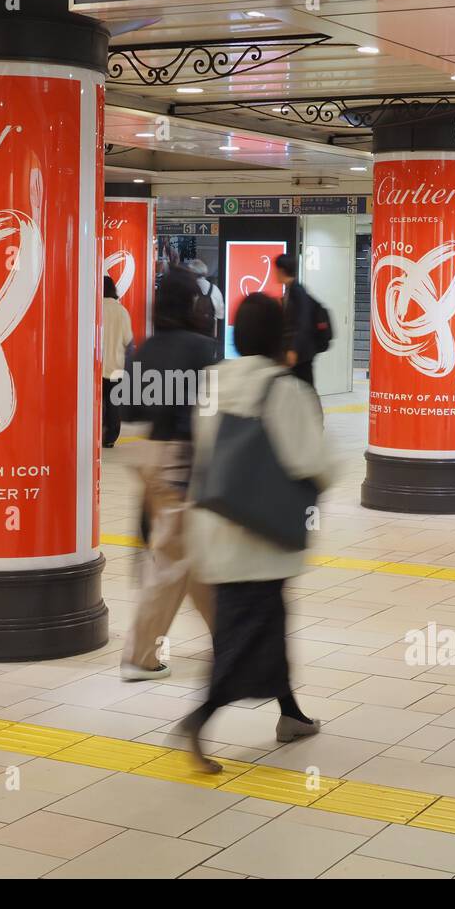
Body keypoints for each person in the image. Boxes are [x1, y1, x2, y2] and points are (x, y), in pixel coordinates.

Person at [179, 292, 334, 772]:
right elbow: (312, 460)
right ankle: (201, 717)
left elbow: (204, 450)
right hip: (261, 535)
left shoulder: (212, 380)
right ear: (278, 337)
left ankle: (290, 714)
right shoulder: (283, 389)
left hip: (214, 528)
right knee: (247, 634)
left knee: (261, 621)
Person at [119, 268, 220, 681]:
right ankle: (139, 655)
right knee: (176, 561)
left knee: (192, 560)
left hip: (152, 458)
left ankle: (232, 646)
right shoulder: (204, 349)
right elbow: (216, 411)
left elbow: (129, 409)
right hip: (188, 461)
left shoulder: (148, 348)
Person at [272, 253, 321, 389]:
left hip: (301, 354)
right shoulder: (290, 290)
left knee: (307, 390)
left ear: (281, 270)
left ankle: (312, 411)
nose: (274, 274)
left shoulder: (297, 291)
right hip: (297, 353)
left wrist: (294, 349)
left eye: (275, 270)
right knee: (301, 390)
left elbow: (303, 322)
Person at [101, 273, 133, 448]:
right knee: (113, 402)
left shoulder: (94, 308)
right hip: (115, 366)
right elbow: (128, 340)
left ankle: (95, 433)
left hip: (95, 367)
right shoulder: (121, 311)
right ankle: (110, 437)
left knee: (96, 402)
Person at [184, 258, 223, 344]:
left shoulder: (186, 288)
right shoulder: (215, 290)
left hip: (189, 337)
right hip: (209, 337)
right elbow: (220, 316)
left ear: (192, 273)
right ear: (204, 273)